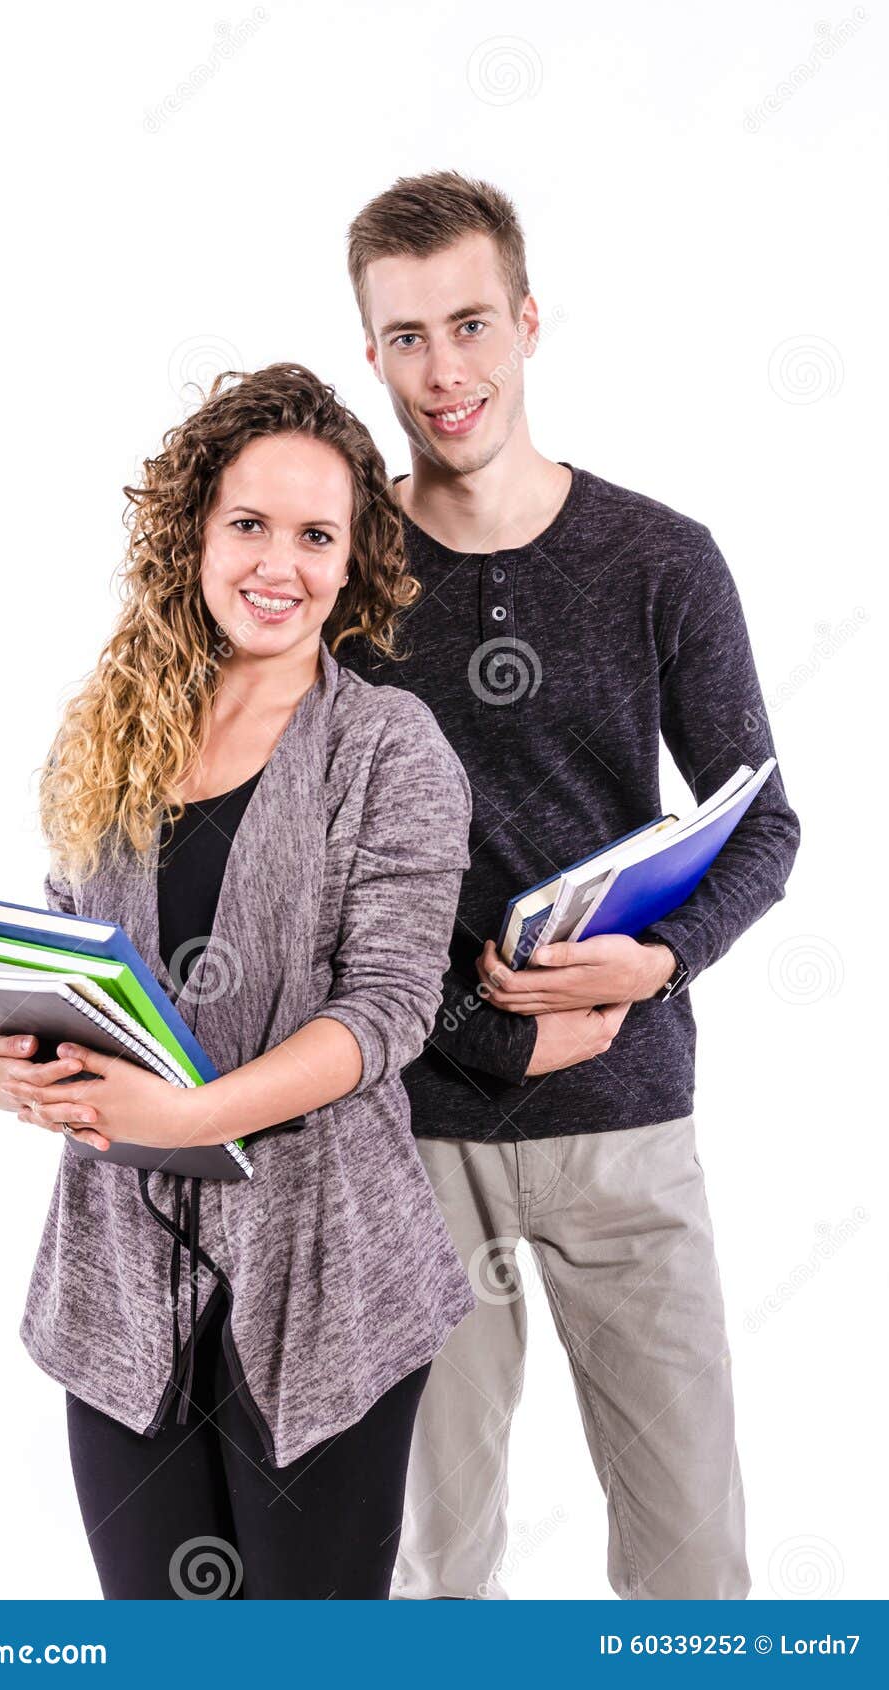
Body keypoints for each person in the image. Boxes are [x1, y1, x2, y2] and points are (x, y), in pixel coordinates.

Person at [340, 171, 801, 1601]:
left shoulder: (659, 559)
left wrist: (657, 960)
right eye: (405, 335)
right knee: (427, 1571)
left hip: (625, 1110)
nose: (444, 369)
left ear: (527, 322)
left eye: (469, 322)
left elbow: (764, 825)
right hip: (411, 1131)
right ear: (370, 354)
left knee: (689, 1564)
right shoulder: (344, 575)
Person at [0, 363, 478, 1600]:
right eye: (249, 524)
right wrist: (8, 1064)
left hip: (328, 1277)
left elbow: (388, 1009)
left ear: (351, 561)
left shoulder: (386, 746)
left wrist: (194, 1114)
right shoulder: (113, 726)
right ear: (197, 530)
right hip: (117, 1275)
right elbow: (65, 956)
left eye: (316, 535)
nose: (278, 564)